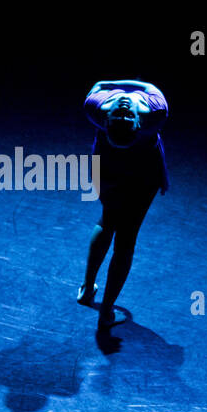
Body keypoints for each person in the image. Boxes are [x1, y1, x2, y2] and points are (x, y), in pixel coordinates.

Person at [78, 79, 170, 347]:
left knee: (110, 222)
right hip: (135, 172)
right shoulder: (155, 114)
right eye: (122, 114)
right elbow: (149, 85)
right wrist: (127, 84)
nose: (123, 108)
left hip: (120, 171)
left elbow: (97, 84)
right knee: (123, 233)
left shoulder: (95, 108)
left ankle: (88, 291)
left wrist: (112, 83)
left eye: (124, 115)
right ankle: (105, 310)